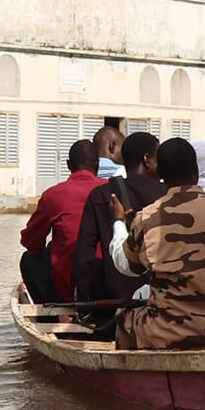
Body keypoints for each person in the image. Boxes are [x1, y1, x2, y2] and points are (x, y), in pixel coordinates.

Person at [115, 138, 205, 351]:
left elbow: (129, 267)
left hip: (166, 335)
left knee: (123, 319)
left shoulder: (147, 217)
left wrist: (118, 222)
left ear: (160, 175)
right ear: (195, 169)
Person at [73, 130, 163, 306]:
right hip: (158, 301)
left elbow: (84, 255)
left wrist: (84, 301)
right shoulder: (168, 196)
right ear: (147, 159)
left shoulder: (101, 195)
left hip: (113, 302)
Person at [19, 138, 101, 304]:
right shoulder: (110, 190)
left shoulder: (53, 195)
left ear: (68, 165)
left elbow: (32, 243)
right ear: (97, 165)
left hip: (67, 285)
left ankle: (52, 314)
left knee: (28, 259)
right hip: (105, 280)